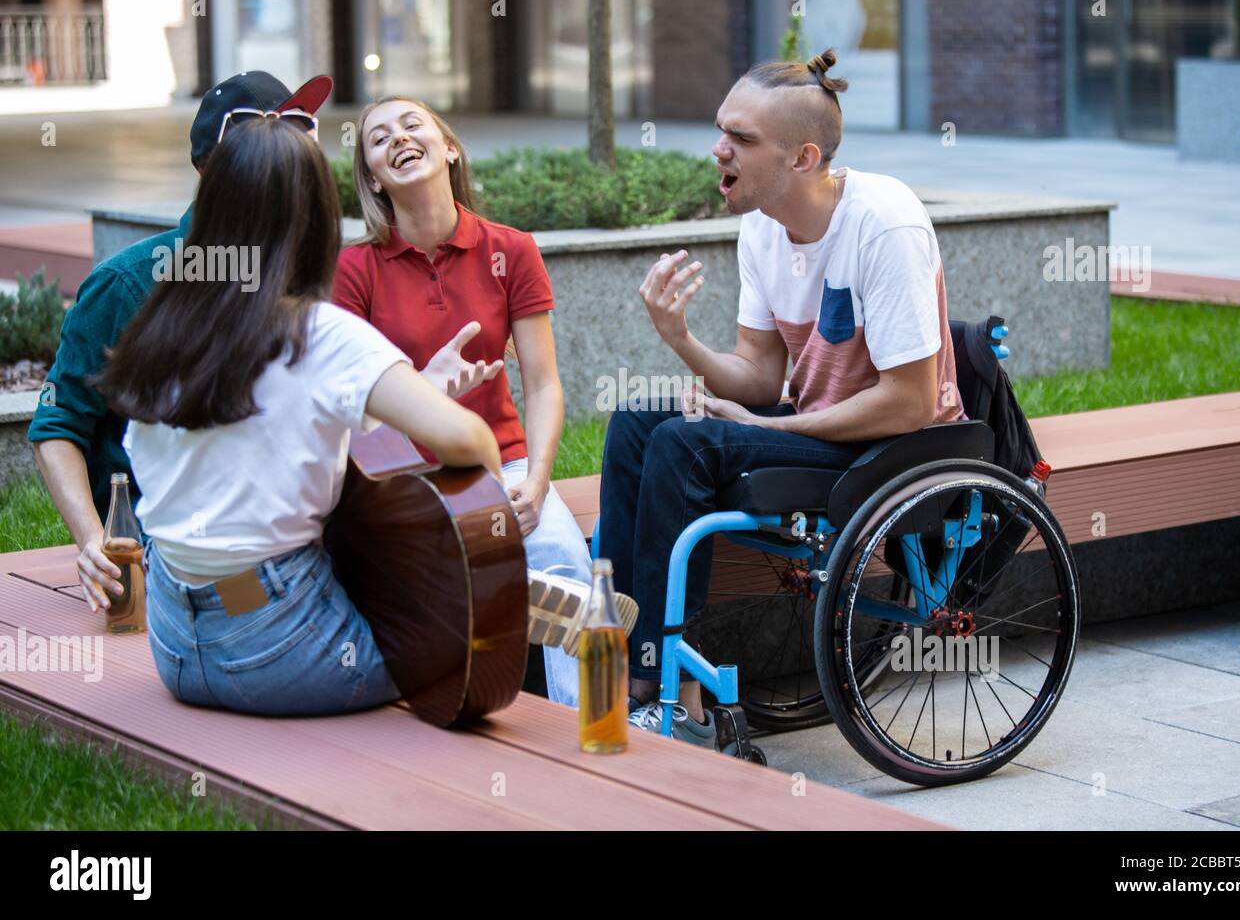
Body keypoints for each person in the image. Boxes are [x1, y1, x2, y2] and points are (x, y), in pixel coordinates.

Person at [601, 49, 966, 745]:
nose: (718, 150)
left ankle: (662, 689)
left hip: (892, 448)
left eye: (740, 139)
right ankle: (634, 663)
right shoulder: (763, 227)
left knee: (687, 441)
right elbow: (760, 379)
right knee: (642, 420)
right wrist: (680, 340)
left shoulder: (883, 223)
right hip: (822, 428)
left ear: (801, 158)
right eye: (721, 131)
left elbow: (911, 403)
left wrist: (779, 428)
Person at [96, 115, 503, 715]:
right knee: (465, 646)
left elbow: (265, 436)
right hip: (279, 649)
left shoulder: (162, 325)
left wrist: (409, 394)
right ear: (313, 220)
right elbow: (470, 440)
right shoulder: (320, 334)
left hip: (176, 638)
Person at [333, 96, 635, 708]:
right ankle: (492, 586)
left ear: (449, 148)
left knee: (566, 563)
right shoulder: (354, 268)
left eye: (412, 124)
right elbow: (346, 409)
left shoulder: (511, 250)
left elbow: (545, 384)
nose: (398, 138)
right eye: (378, 138)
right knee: (426, 582)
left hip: (504, 467)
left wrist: (541, 480)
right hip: (399, 475)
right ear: (372, 178)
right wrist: (422, 388)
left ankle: (586, 734)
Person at [29, 70, 332, 614]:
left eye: (297, 134)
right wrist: (94, 541)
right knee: (257, 614)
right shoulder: (129, 283)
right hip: (183, 563)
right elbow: (56, 425)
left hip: (290, 537)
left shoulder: (308, 277)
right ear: (213, 169)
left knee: (431, 587)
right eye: (267, 140)